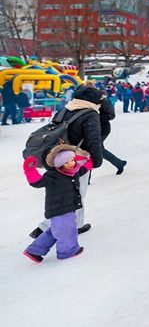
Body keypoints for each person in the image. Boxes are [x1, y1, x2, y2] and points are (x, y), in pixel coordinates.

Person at [29, 85, 104, 239]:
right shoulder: (90, 113)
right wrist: (96, 161)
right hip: (77, 159)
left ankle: (74, 223)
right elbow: (93, 140)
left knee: (66, 192)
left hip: (58, 156)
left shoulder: (65, 109)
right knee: (76, 193)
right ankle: (47, 228)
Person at [22, 145, 90, 262]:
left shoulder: (74, 172)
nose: (71, 163)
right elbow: (37, 182)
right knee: (67, 230)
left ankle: (34, 250)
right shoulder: (52, 175)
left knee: (55, 231)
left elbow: (85, 168)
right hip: (58, 209)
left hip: (68, 207)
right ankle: (67, 251)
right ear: (59, 165)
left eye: (72, 160)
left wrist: (89, 159)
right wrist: (30, 169)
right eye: (66, 162)